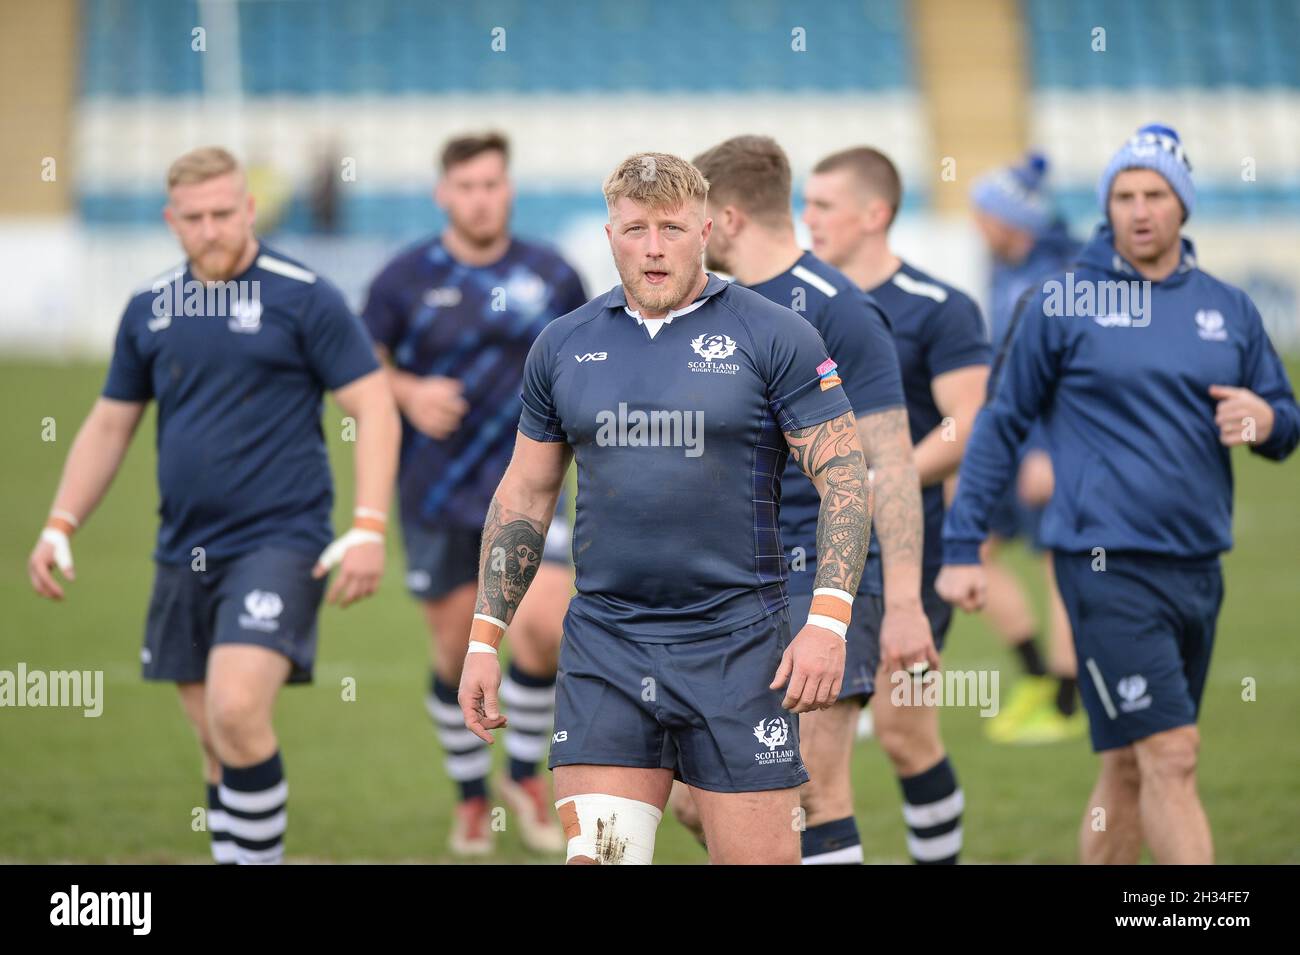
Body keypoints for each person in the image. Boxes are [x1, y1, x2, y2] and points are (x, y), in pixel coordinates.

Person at [458, 151, 872, 864]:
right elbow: (524, 496)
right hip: (607, 649)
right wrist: (482, 638)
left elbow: (845, 474)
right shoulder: (564, 345)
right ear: (610, 232)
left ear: (706, 229)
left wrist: (828, 621)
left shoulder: (773, 334)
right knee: (602, 859)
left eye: (673, 228)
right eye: (635, 228)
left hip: (740, 649)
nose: (653, 247)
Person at [27, 146, 401, 865]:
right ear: (172, 221)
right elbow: (110, 423)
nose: (211, 229)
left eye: (224, 213)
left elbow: (374, 406)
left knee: (236, 710)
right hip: (183, 547)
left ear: (250, 208)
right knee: (214, 737)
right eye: (194, 217)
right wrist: (59, 524)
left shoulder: (305, 296)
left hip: (282, 542)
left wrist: (368, 527)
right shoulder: (149, 308)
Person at [938, 124, 1300, 863]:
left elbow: (1283, 419)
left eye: (1155, 194)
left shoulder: (1228, 308)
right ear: (1107, 206)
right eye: (1124, 195)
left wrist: (1265, 419)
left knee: (1130, 765)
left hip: (1198, 562)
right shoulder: (1062, 302)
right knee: (1174, 753)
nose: (1139, 209)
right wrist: (962, 542)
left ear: (1183, 205)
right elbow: (1001, 424)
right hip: (1104, 564)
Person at [682, 136, 942, 864]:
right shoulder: (705, 307)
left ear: (728, 218)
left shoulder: (840, 310)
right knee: (696, 798)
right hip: (726, 585)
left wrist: (905, 605)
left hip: (822, 574)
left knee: (811, 790)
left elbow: (888, 466)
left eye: (699, 218)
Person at [362, 132, 588, 855]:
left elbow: (592, 359)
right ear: (443, 195)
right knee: (456, 647)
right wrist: (406, 390)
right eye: (466, 186)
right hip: (437, 494)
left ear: (509, 188)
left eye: (492, 184)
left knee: (545, 626)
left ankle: (521, 773)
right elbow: (359, 375)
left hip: (534, 491)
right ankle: (468, 797)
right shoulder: (402, 279)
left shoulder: (552, 273)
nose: (480, 198)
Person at [801, 145, 992, 863]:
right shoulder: (798, 304)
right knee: (804, 743)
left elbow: (967, 422)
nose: (808, 218)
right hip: (808, 550)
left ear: (874, 213)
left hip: (907, 547)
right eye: (806, 202)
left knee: (905, 732)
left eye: (824, 205)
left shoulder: (939, 307)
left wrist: (882, 476)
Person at [970, 153, 1084, 743]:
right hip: (1008, 437)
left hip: (1048, 444)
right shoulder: (1002, 264)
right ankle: (1037, 676)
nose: (974, 221)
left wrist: (1045, 449)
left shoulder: (1058, 274)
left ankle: (1065, 703)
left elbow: (1059, 372)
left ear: (1008, 217)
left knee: (1055, 562)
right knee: (973, 550)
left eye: (982, 211)